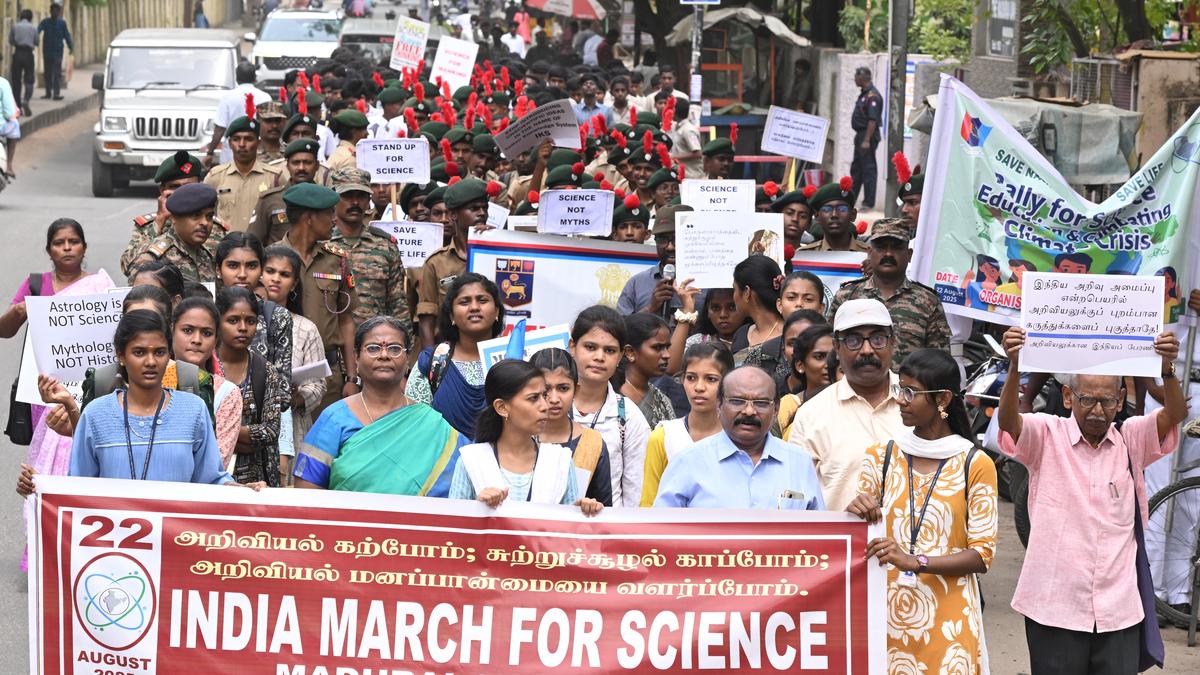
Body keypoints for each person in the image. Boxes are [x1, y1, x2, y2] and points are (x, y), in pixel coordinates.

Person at [998, 326, 1183, 674]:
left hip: (1118, 609)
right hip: (1054, 606)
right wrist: (1014, 366)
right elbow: (1009, 422)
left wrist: (1168, 371)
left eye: (1107, 401)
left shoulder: (1131, 438)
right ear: (1069, 397)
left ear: (1120, 400)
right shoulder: (1047, 434)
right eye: (1087, 400)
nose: (1097, 410)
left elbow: (1173, 415)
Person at [846, 348, 999, 673]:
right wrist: (855, 512)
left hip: (950, 621)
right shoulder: (881, 456)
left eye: (910, 392)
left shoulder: (974, 463)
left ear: (943, 399)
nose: (900, 399)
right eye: (899, 388)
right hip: (886, 613)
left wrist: (916, 561)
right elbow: (861, 535)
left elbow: (982, 556)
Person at [17, 310, 254, 496]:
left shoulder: (194, 410)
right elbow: (78, 487)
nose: (151, 362)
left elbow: (211, 479)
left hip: (178, 539)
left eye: (159, 352)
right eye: (139, 352)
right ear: (121, 355)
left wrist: (244, 492)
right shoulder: (96, 415)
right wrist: (41, 487)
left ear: (169, 354)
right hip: (114, 541)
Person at [294, 316, 465, 495]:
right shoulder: (333, 419)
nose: (384, 355)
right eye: (373, 348)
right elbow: (307, 494)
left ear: (407, 358)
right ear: (356, 357)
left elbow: (468, 474)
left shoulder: (430, 424)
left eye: (394, 348)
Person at [653, 366, 824, 510]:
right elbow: (663, 531)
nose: (749, 411)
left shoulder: (799, 462)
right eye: (737, 401)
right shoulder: (688, 462)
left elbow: (819, 532)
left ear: (776, 409)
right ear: (719, 405)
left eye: (761, 403)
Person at [789, 298, 904, 510]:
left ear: (893, 342)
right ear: (836, 347)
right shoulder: (811, 415)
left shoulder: (919, 402)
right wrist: (845, 519)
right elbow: (796, 502)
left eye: (877, 339)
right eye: (853, 340)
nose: (867, 350)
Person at [450, 360, 603, 515]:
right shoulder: (471, 461)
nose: (545, 406)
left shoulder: (559, 461)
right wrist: (477, 507)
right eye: (533, 398)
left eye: (544, 396)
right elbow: (453, 523)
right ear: (502, 407)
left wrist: (583, 511)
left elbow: (568, 525)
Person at [279, 182, 360, 412]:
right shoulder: (273, 258)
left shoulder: (336, 260)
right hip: (282, 371)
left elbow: (345, 320)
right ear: (309, 218)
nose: (335, 219)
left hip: (328, 374)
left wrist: (352, 377)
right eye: (329, 213)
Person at [829, 219, 950, 367]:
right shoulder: (846, 297)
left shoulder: (928, 302)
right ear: (869, 252)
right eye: (881, 247)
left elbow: (939, 363)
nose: (888, 254)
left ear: (909, 254)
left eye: (897, 248)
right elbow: (830, 349)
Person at [570, 305, 651, 507]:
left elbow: (635, 494)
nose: (599, 357)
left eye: (609, 350)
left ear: (621, 355)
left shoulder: (628, 416)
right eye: (590, 347)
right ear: (572, 346)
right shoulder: (545, 406)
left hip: (607, 523)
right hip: (549, 522)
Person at [407, 273, 503, 440]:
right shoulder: (432, 362)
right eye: (464, 302)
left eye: (482, 300)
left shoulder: (514, 359)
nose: (474, 307)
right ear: (451, 316)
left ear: (496, 312)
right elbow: (414, 425)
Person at [640, 342, 734, 506]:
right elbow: (649, 504)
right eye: (691, 378)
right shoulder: (664, 437)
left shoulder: (738, 438)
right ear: (682, 380)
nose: (699, 387)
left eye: (711, 379)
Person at [214, 287, 289, 487]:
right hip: (211, 478)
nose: (243, 328)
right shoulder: (206, 366)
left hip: (256, 481)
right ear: (218, 321)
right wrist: (245, 439)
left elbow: (271, 430)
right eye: (233, 320)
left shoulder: (264, 370)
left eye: (250, 321)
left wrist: (223, 432)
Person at [261, 246, 326, 466]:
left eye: (285, 274)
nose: (275, 279)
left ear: (294, 283)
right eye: (270, 271)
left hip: (292, 422)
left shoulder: (306, 328)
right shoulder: (244, 323)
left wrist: (296, 397)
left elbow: (318, 384)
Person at [530, 349, 613, 506]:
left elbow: (604, 508)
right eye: (545, 390)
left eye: (563, 388)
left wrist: (591, 507)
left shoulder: (592, 443)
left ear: (576, 390)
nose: (554, 399)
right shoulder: (516, 438)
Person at [328, 168, 408, 331]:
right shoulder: (322, 244)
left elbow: (398, 305)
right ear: (334, 198)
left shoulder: (385, 246)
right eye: (348, 196)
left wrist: (402, 341)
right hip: (332, 339)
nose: (355, 203)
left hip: (375, 339)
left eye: (361, 196)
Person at [417, 178, 489, 348]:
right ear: (453, 215)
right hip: (451, 351)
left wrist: (496, 243)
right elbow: (427, 321)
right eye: (474, 208)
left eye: (484, 208)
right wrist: (431, 359)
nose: (481, 213)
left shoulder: (498, 253)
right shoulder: (436, 262)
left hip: (492, 349)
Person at [171, 297, 243, 462]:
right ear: (172, 331)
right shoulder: (151, 381)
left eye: (207, 333)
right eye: (187, 330)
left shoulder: (227, 393)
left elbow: (218, 461)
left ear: (216, 339)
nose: (197, 340)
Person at [214, 232, 293, 379]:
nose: (242, 274)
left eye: (251, 266)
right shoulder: (205, 314)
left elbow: (282, 383)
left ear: (261, 269)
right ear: (218, 269)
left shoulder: (277, 317)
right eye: (233, 265)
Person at [119, 151, 206, 277]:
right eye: (175, 187)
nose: (182, 193)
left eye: (189, 187)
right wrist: (160, 220)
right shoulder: (149, 226)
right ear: (162, 190)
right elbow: (128, 267)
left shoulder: (212, 226)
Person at [204, 111, 282, 232]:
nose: (242, 144)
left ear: (258, 143)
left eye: (248, 139)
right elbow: (205, 215)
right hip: (225, 242)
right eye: (236, 139)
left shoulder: (275, 177)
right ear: (230, 143)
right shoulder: (215, 177)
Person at [133, 182, 226, 283]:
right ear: (174, 218)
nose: (205, 223)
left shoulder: (210, 253)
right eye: (195, 215)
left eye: (209, 216)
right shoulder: (154, 256)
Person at [617, 202, 697, 319]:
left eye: (677, 239)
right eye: (662, 240)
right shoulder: (637, 283)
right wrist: (651, 308)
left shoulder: (709, 284)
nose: (670, 247)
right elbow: (620, 327)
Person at [249, 138, 322, 246]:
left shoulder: (326, 200)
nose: (301, 168)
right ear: (287, 166)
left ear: (317, 165)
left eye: (307, 162)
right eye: (295, 163)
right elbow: (253, 242)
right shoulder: (270, 200)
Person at [208, 62, 271, 166]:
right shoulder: (265, 97)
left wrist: (210, 152)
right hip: (258, 155)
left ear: (236, 78)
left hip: (231, 156)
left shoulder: (227, 97)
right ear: (255, 78)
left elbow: (220, 128)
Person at [777, 324, 835, 439]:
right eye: (819, 357)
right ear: (800, 365)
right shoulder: (787, 406)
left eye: (834, 357)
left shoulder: (853, 402)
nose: (828, 364)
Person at [620, 313, 676, 430]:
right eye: (657, 347)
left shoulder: (662, 400)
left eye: (667, 347)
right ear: (630, 352)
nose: (667, 355)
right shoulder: (609, 397)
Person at [730, 255, 784, 355]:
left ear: (746, 292)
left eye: (734, 289)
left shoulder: (789, 337)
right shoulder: (742, 334)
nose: (733, 297)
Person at [799, 179, 868, 252]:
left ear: (853, 214)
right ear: (817, 216)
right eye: (827, 210)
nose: (834, 215)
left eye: (842, 209)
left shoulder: (869, 254)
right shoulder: (806, 254)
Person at [850, 67, 882, 209]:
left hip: (867, 135)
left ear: (861, 77)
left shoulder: (872, 96)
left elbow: (872, 120)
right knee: (857, 169)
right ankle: (850, 200)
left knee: (868, 169)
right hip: (861, 135)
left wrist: (867, 140)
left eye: (856, 77)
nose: (854, 79)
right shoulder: (864, 94)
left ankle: (868, 203)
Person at [37, 3, 72, 101]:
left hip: (57, 53)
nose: (55, 13)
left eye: (57, 11)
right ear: (50, 11)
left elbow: (67, 35)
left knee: (57, 73)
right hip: (47, 52)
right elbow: (38, 30)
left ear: (59, 12)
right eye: (53, 11)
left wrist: (71, 46)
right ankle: (48, 93)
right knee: (47, 73)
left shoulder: (62, 23)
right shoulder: (45, 22)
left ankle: (56, 93)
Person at [9, 9, 37, 116]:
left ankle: (18, 106)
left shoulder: (15, 26)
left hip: (18, 53)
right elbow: (37, 41)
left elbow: (11, 40)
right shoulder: (33, 28)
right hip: (28, 54)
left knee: (16, 81)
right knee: (29, 79)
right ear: (30, 18)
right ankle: (26, 99)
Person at [0, 74, 20, 178]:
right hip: (1, 125)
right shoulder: (3, 83)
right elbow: (9, 113)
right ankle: (9, 165)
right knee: (14, 124)